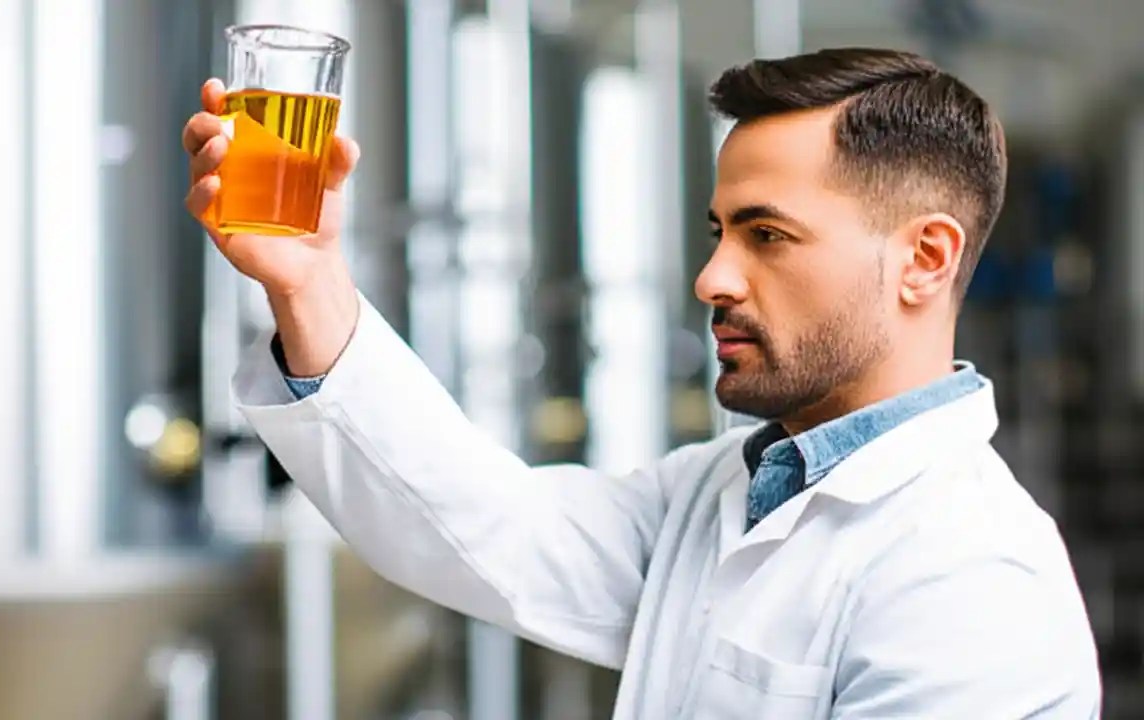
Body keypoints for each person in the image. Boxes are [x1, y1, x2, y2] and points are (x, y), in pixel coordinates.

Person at [183, 47, 1101, 718]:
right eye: (718, 232)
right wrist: (307, 282)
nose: (713, 279)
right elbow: (484, 528)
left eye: (767, 235)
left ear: (924, 259)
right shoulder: (720, 493)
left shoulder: (971, 577)